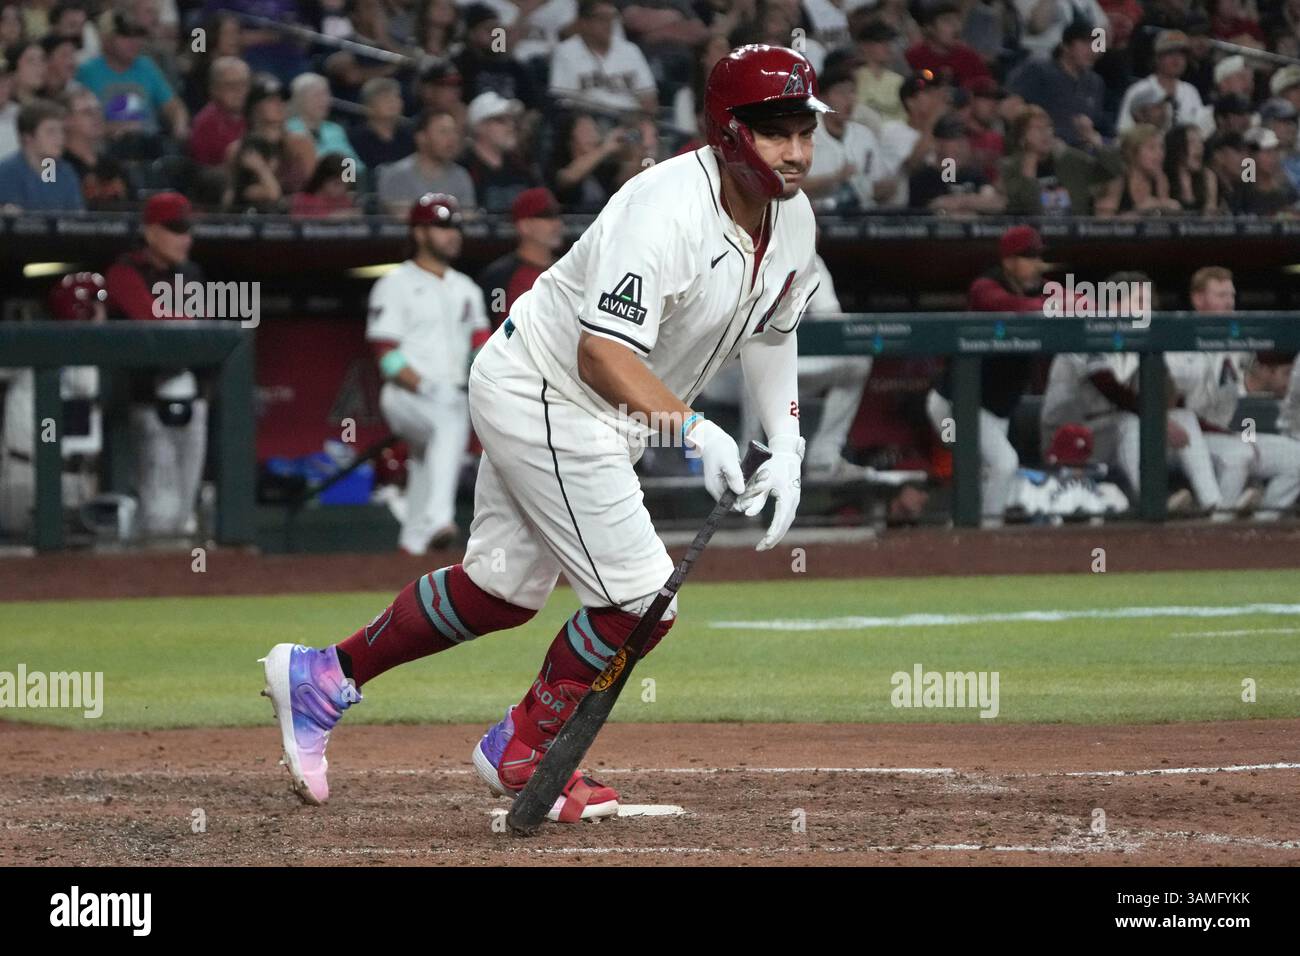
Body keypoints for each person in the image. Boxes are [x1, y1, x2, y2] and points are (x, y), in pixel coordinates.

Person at [259, 44, 823, 821]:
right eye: (775, 131)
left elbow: (772, 332)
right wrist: (695, 430)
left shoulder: (794, 222)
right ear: (728, 131)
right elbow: (601, 353)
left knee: (497, 589)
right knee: (641, 601)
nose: (795, 151)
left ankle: (322, 675)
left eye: (804, 130)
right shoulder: (663, 208)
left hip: (593, 405)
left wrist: (785, 444)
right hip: (551, 392)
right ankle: (522, 752)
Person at [365, 194, 490, 554]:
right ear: (420, 233)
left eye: (455, 226)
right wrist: (425, 386)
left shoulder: (466, 287)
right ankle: (439, 520)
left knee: (428, 459)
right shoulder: (395, 283)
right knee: (449, 422)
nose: (453, 234)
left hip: (451, 393)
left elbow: (480, 346)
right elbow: (385, 354)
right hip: (406, 395)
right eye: (442, 226)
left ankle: (413, 544)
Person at [1039, 272, 1223, 512]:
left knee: (1182, 418)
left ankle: (1214, 503)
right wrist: (1160, 419)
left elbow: (1165, 398)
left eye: (1149, 304)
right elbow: (1107, 386)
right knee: (1130, 422)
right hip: (1065, 437)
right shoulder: (1089, 327)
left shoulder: (1139, 340)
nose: (1147, 311)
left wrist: (1164, 382)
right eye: (1139, 303)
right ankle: (1154, 500)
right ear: (1113, 304)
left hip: (1110, 435)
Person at [926, 224, 1049, 526]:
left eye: (1038, 256)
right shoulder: (986, 286)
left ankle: (963, 532)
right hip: (953, 405)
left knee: (986, 471)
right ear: (1008, 261)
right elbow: (1005, 306)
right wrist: (1052, 306)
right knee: (1003, 464)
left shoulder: (1040, 290)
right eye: (1028, 256)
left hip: (994, 408)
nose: (1036, 263)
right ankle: (987, 535)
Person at [103, 192, 208, 538]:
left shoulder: (190, 273)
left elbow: (201, 326)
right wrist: (185, 321)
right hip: (141, 403)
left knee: (184, 509)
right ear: (150, 232)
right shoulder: (123, 271)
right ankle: (144, 580)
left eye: (187, 230)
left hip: (191, 399)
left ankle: (177, 583)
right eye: (175, 230)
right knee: (159, 511)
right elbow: (151, 319)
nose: (185, 239)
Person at [1167, 267, 1300, 520]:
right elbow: (1175, 407)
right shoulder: (1175, 338)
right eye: (1220, 295)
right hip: (1180, 440)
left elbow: (1267, 366)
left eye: (1231, 295)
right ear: (1198, 299)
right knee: (1239, 454)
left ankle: (1260, 526)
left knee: (1296, 458)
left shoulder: (1237, 336)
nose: (1229, 302)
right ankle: (1219, 524)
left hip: (1222, 434)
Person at [0, 272, 105, 536]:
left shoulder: (102, 354)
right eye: (99, 303)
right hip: (28, 475)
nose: (105, 311)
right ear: (84, 308)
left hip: (80, 477)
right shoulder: (31, 347)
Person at [74, 11, 188, 141]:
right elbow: (77, 124)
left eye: (137, 36)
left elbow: (174, 106)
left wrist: (180, 125)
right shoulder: (87, 72)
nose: (134, 42)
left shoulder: (146, 66)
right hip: (107, 147)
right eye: (125, 36)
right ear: (106, 39)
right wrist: (112, 128)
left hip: (149, 145)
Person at [997, 103, 1121, 215]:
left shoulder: (1070, 160)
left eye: (1048, 127)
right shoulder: (1010, 167)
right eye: (1037, 128)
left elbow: (1112, 171)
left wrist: (1096, 141)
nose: (1045, 133)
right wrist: (1028, 174)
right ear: (1022, 136)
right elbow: (1022, 209)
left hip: (1073, 233)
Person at [805, 63, 898, 210]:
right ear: (822, 99)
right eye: (841, 93)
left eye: (852, 92)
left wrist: (882, 187)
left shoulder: (864, 135)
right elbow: (792, 188)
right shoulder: (804, 135)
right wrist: (835, 179)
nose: (849, 99)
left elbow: (880, 183)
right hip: (819, 218)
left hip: (862, 218)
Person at [1006, 18, 1110, 149]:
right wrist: (1042, 139)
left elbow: (1094, 124)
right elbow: (1009, 109)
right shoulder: (1039, 70)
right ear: (1066, 46)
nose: (1092, 50)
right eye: (1085, 43)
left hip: (1079, 156)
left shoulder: (1095, 83)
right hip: (1043, 150)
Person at [548, 0, 658, 116]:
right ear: (584, 22)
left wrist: (643, 122)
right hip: (589, 120)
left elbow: (648, 98)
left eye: (612, 18)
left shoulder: (630, 50)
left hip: (630, 120)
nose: (608, 24)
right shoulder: (565, 51)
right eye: (602, 18)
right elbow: (563, 101)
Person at [476, 186, 565, 326]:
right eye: (547, 215)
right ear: (524, 225)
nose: (557, 224)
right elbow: (492, 327)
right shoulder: (499, 276)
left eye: (557, 215)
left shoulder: (568, 271)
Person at [376, 109, 476, 213]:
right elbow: (402, 219)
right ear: (421, 138)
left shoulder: (461, 176)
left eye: (453, 132)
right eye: (443, 132)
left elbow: (468, 219)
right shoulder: (396, 175)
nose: (452, 138)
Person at [1116, 29, 1209, 136]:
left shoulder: (1191, 92)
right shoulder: (1138, 90)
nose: (1177, 59)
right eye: (1170, 53)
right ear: (1157, 58)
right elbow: (1123, 131)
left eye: (1182, 55)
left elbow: (1199, 132)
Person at [459, 90, 540, 212]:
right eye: (501, 120)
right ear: (480, 127)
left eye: (512, 120)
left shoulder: (522, 167)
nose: (511, 126)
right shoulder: (463, 169)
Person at [0, 97, 83, 211]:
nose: (60, 138)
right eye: (51, 132)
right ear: (28, 137)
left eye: (61, 131)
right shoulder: (5, 173)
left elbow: (76, 221)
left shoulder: (65, 172)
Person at [1095, 122, 1183, 215]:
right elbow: (1103, 223)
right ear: (1132, 152)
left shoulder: (1160, 179)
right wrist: (1139, 211)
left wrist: (1164, 205)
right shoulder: (1116, 182)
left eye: (1161, 148)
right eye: (1151, 148)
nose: (1160, 154)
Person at [905, 0, 990, 88]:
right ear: (930, 28)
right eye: (947, 21)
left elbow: (987, 88)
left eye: (958, 20)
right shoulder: (914, 57)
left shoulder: (970, 57)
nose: (956, 27)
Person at [188, 55, 249, 168]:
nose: (239, 91)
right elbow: (203, 173)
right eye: (231, 85)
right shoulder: (205, 123)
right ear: (214, 89)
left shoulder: (254, 114)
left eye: (243, 84)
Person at [348, 76, 414, 170]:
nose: (392, 101)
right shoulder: (353, 138)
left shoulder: (410, 135)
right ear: (369, 105)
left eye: (396, 97)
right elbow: (348, 176)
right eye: (385, 97)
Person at [1164, 122, 1219, 213]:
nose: (1199, 147)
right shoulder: (1164, 178)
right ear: (1178, 147)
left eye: (1200, 142)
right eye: (1192, 142)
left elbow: (1210, 216)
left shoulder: (1207, 177)